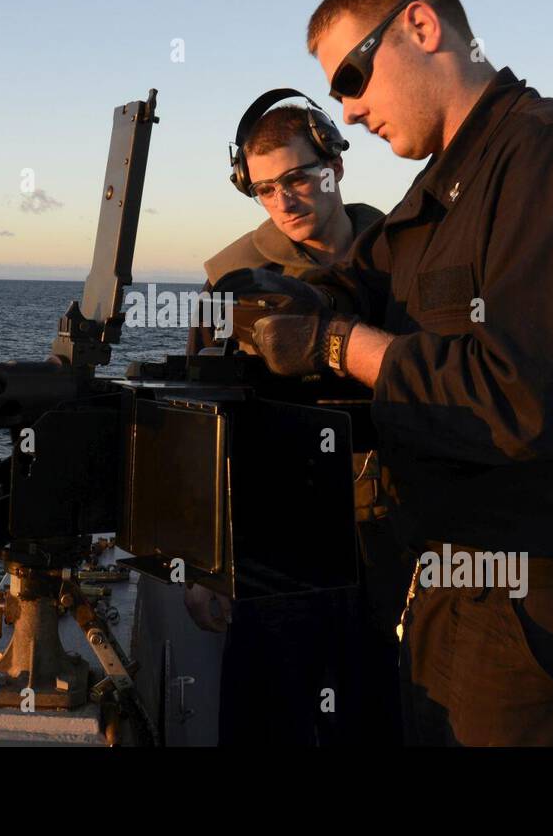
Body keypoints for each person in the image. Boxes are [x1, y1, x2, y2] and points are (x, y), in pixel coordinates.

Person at [216, 0, 553, 745]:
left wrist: (336, 345)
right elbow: (353, 285)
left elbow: (524, 399)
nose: (350, 115)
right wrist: (261, 307)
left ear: (421, 26)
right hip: (452, 592)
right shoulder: (437, 193)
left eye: (352, 80)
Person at [185, 94, 404, 745]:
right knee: (267, 720)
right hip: (279, 539)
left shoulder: (405, 257)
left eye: (300, 177)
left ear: (336, 160)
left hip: (395, 532)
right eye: (264, 189)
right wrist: (205, 565)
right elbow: (202, 424)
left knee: (383, 717)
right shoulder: (232, 281)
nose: (285, 200)